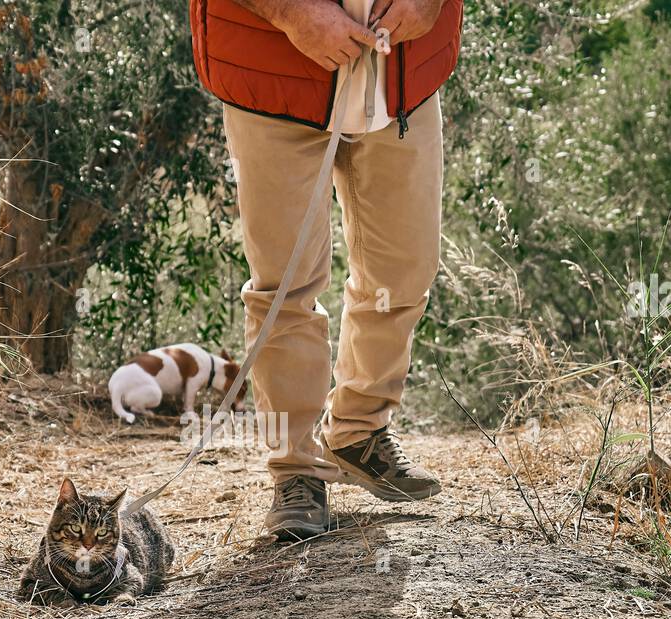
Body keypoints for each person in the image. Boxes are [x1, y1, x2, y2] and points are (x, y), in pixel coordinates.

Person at [188, 0, 466, 539]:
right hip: (272, 77)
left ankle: (359, 434)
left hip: (402, 80)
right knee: (283, 286)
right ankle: (296, 470)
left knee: (405, 271)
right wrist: (293, 12)